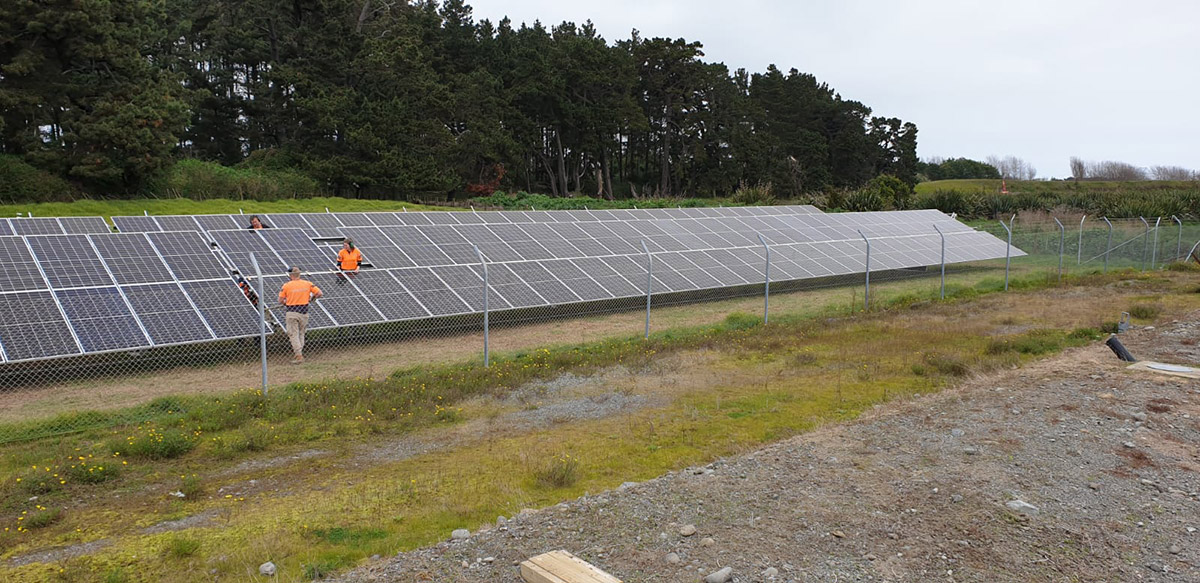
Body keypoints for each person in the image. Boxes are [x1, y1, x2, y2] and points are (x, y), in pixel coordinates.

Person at [278, 267, 321, 364]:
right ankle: (299, 352)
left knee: (293, 334)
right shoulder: (308, 284)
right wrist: (312, 299)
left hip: (292, 312)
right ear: (299, 274)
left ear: (291, 275)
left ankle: (299, 356)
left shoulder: (286, 286)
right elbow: (319, 293)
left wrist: (286, 302)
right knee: (301, 333)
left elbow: (280, 300)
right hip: (304, 312)